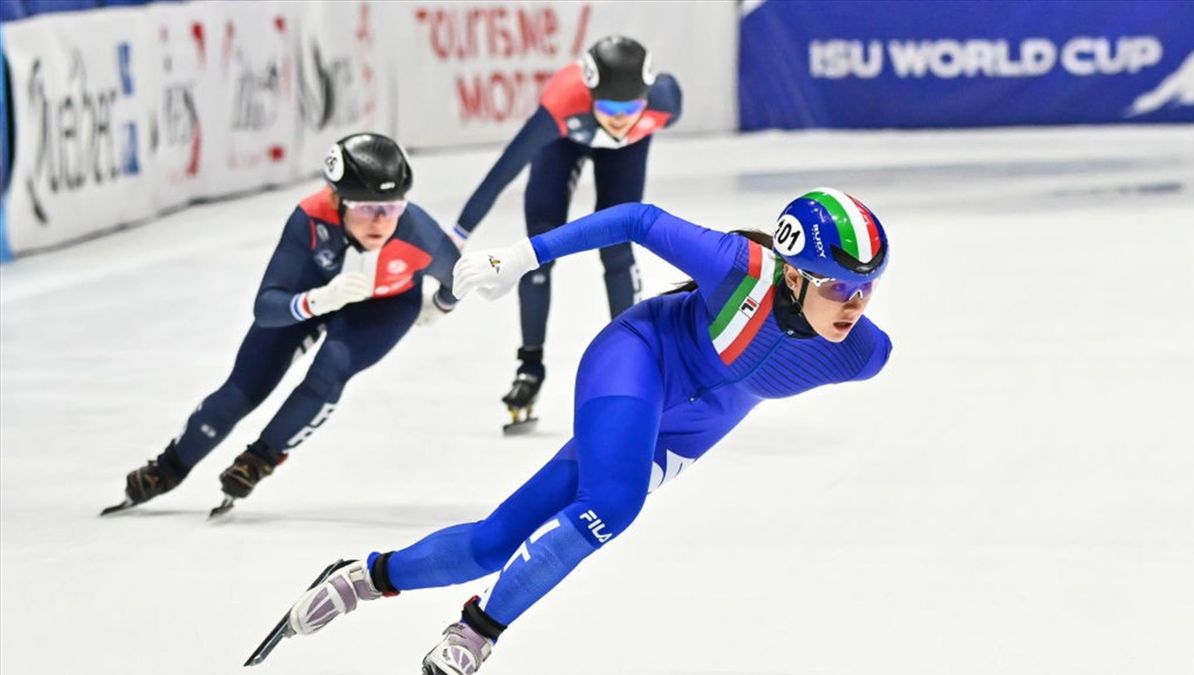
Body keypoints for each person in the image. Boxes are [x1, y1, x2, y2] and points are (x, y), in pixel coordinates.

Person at [273, 188, 893, 674]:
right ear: (792, 275)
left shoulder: (863, 353)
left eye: (867, 289)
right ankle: (477, 634)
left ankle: (364, 578)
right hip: (639, 359)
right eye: (839, 286)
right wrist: (519, 257)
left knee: (494, 542)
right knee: (612, 504)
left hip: (694, 427)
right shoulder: (738, 269)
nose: (854, 304)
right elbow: (638, 220)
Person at [102, 133, 460, 516]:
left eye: (392, 208)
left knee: (329, 372)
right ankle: (169, 466)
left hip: (385, 307)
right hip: (312, 292)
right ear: (337, 200)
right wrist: (315, 300)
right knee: (240, 392)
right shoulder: (310, 218)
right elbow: (267, 308)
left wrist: (439, 305)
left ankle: (260, 459)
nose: (381, 221)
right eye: (367, 208)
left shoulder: (419, 233)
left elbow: (459, 275)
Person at [450, 34, 683, 431]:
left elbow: (630, 119)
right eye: (610, 106)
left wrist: (624, 120)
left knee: (617, 247)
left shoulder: (664, 102)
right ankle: (530, 368)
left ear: (646, 99)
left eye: (631, 106)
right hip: (565, 142)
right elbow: (503, 172)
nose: (620, 117)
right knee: (538, 244)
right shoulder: (562, 102)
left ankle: (634, 366)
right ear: (591, 95)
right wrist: (457, 235)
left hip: (625, 152)